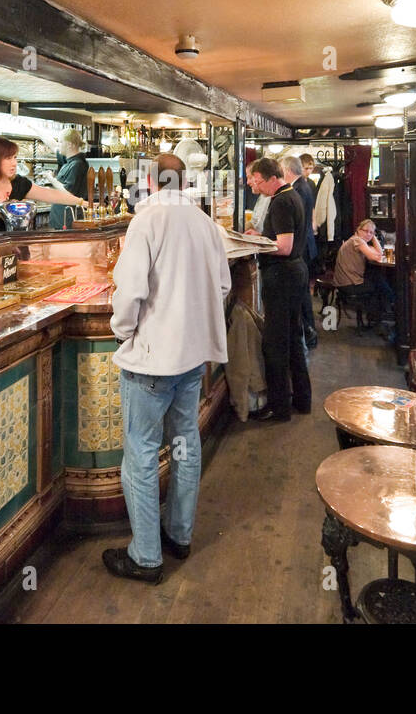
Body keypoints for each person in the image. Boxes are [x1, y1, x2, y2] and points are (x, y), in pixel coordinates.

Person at [103, 153, 230, 584]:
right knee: (185, 444)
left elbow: (130, 291)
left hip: (153, 360)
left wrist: (123, 333)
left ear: (150, 181)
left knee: (140, 452)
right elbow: (224, 285)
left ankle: (145, 556)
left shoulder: (146, 219)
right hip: (193, 360)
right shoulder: (205, 223)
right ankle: (179, 535)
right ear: (185, 180)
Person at [244, 157, 311, 420]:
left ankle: (279, 407)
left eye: (255, 179)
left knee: (275, 344)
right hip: (294, 274)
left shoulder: (281, 200)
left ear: (271, 178)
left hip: (282, 277)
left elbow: (284, 247)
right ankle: (302, 400)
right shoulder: (290, 194)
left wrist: (255, 244)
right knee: (293, 338)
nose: (252, 184)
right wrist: (261, 238)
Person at [0, 136, 86, 236]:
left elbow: (50, 194)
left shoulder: (18, 183)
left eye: (15, 157)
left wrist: (81, 202)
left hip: (17, 252)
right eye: (8, 158)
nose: (14, 163)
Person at [281, 154, 319, 349]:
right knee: (303, 292)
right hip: (305, 245)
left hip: (301, 247)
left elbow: (297, 224)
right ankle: (308, 331)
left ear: (287, 170)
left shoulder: (298, 189)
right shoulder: (304, 185)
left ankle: (308, 332)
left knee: (301, 293)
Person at [333, 218, 396, 324]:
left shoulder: (356, 240)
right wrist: (373, 238)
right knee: (379, 284)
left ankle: (378, 315)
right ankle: (386, 311)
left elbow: (379, 253)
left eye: (371, 232)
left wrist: (373, 238)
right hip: (349, 284)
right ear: (358, 230)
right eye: (365, 231)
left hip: (344, 282)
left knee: (377, 278)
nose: (368, 234)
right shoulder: (357, 241)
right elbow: (376, 257)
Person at [46, 128, 91, 230]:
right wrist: (35, 128)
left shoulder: (77, 165)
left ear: (69, 144)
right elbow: (53, 145)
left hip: (68, 219)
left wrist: (51, 179)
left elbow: (68, 192)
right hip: (60, 219)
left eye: (61, 142)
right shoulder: (69, 161)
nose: (58, 144)